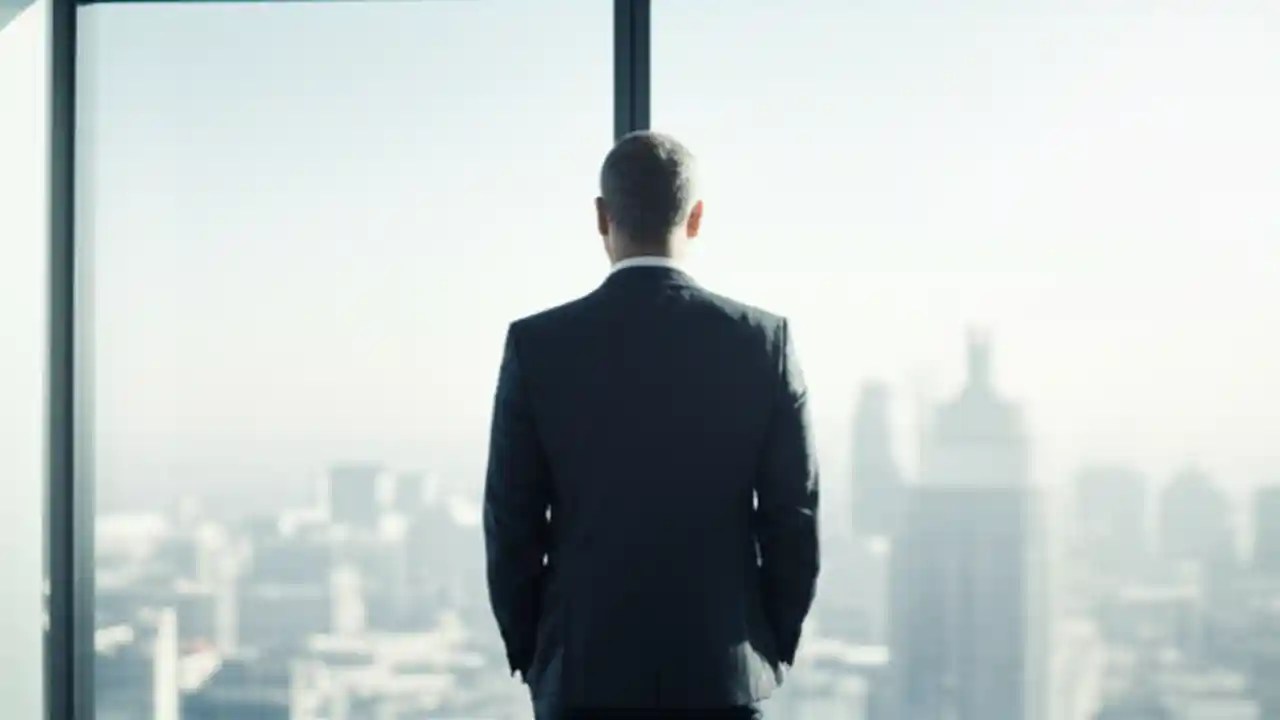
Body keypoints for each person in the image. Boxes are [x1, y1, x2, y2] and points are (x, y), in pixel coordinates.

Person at [483, 131, 820, 719]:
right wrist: (768, 650)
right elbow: (794, 519)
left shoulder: (538, 346)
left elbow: (511, 522)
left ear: (600, 217)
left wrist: (534, 654)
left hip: (584, 678)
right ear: (695, 217)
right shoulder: (764, 343)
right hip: (722, 679)